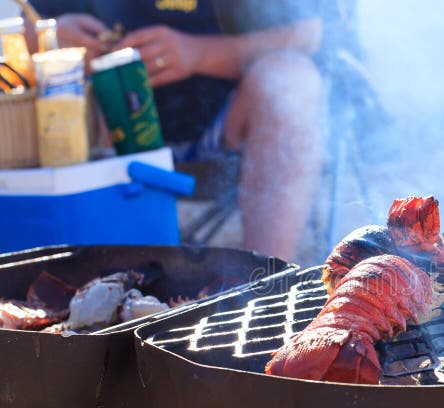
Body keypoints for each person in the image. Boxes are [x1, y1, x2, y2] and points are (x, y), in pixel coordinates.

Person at [28, 0, 324, 261]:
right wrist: (49, 36)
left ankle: (265, 279)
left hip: (226, 128)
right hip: (105, 131)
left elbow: (309, 34)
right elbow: (19, 30)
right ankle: (97, 281)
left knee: (290, 82)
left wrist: (199, 54)